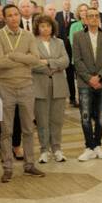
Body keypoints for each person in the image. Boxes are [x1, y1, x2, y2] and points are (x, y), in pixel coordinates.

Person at [0, 4, 46, 182]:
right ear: (4, 18)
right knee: (6, 130)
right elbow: (0, 62)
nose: (14, 18)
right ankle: (7, 167)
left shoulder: (28, 35)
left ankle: (29, 164)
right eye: (10, 15)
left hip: (26, 86)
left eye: (16, 14)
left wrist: (14, 56)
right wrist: (24, 59)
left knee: (28, 128)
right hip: (5, 87)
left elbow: (35, 59)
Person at [73, 7, 102, 161]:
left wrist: (100, 77)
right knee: (85, 116)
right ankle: (89, 146)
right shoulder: (78, 36)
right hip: (85, 83)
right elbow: (77, 60)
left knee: (101, 116)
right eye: (90, 16)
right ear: (85, 19)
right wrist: (90, 78)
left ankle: (97, 145)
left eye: (96, 16)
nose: (94, 18)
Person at [32, 15, 68, 164]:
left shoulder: (59, 42)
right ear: (37, 28)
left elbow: (65, 61)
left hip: (58, 85)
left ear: (52, 27)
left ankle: (57, 149)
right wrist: (51, 68)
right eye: (42, 26)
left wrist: (47, 62)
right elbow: (32, 63)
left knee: (57, 119)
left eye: (48, 26)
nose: (45, 28)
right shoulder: (32, 43)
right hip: (40, 85)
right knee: (42, 120)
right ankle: (44, 150)